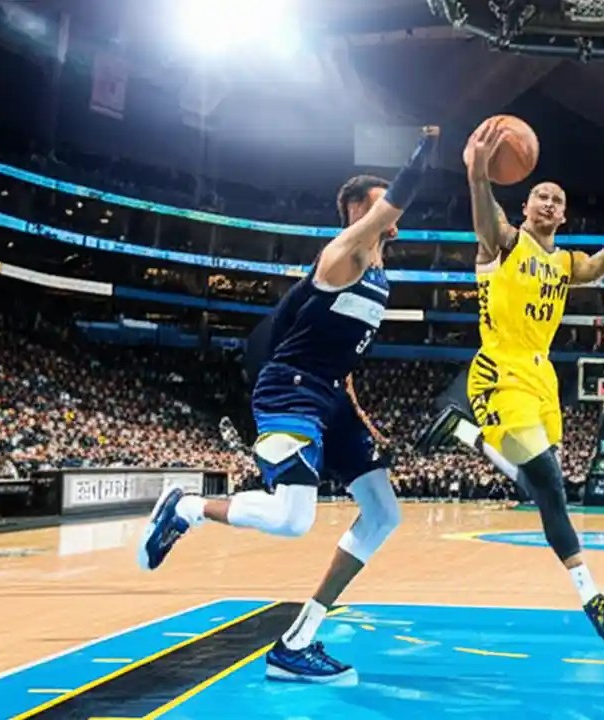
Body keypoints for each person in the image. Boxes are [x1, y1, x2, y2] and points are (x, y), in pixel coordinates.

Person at [137, 127, 439, 684]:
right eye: (379, 205)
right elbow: (397, 197)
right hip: (289, 392)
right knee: (293, 520)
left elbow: (337, 348)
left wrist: (358, 412)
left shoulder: (379, 273)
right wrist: (424, 154)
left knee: (384, 513)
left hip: (328, 394)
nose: (392, 215)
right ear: (356, 211)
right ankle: (186, 508)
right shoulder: (343, 253)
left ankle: (296, 641)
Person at [422, 118, 604, 654]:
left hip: (541, 376)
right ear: (525, 205)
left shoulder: (563, 261)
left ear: (564, 213)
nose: (549, 204)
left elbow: (596, 268)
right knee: (549, 484)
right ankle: (594, 600)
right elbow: (486, 224)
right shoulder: (504, 243)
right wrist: (479, 177)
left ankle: (469, 436)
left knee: (543, 487)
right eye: (540, 196)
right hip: (499, 371)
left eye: (557, 199)